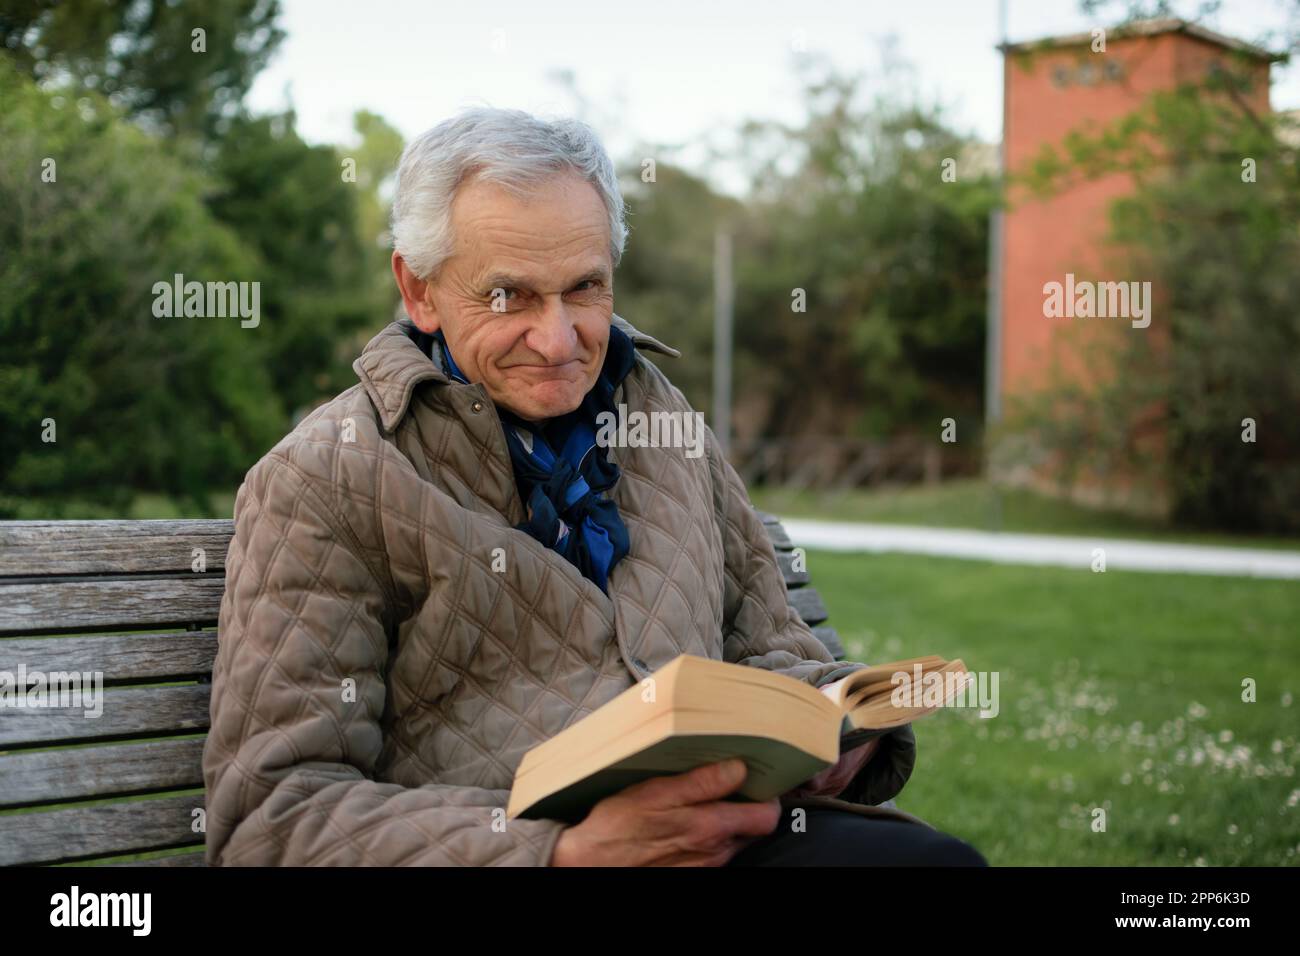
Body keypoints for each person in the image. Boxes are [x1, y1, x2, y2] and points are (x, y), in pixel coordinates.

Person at [201, 106, 985, 867]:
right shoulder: (326, 475)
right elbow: (273, 819)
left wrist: (837, 726)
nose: (558, 339)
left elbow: (769, 644)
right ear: (419, 290)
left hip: (731, 835)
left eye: (584, 288)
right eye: (509, 296)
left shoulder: (659, 416)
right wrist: (562, 851)